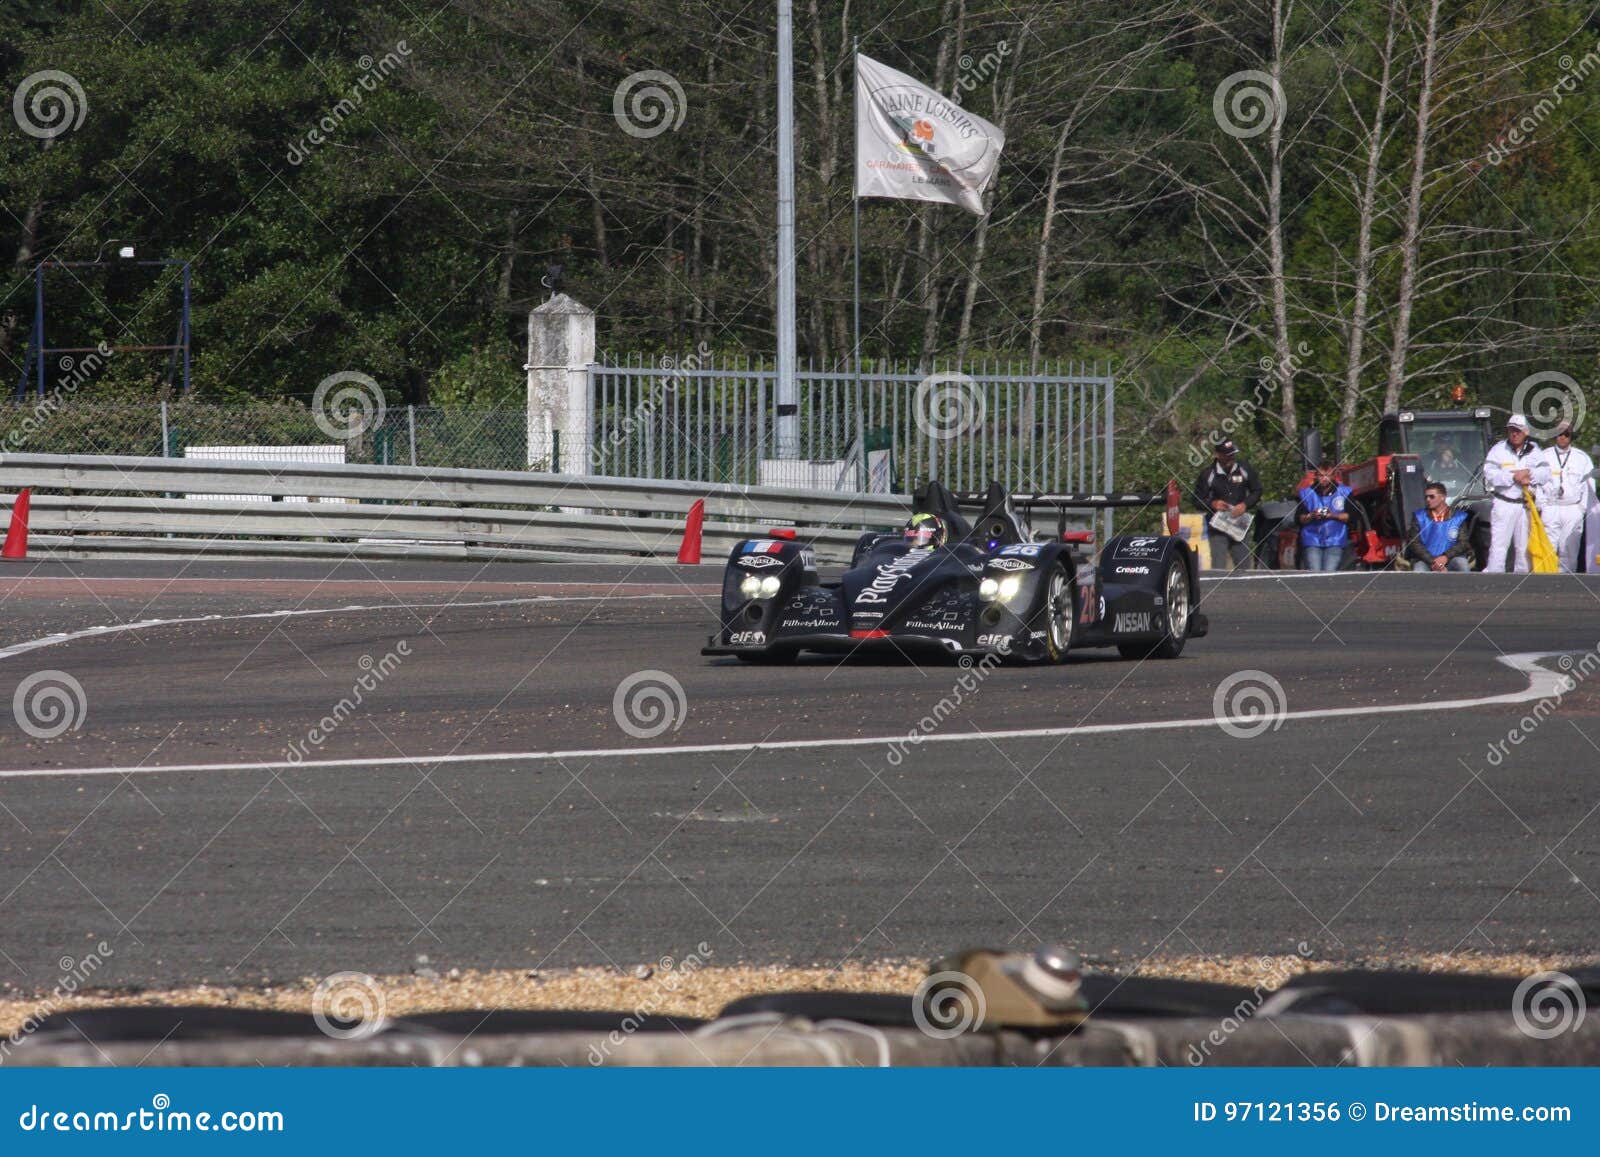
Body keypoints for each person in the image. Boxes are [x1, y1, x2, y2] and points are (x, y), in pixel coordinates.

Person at [1482, 413, 1550, 573]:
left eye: (1518, 430)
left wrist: (1529, 474)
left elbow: (1546, 473)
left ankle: (1522, 583)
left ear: (1526, 432)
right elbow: (1489, 474)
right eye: (1511, 430)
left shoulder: (1535, 450)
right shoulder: (1498, 450)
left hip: (1525, 505)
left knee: (1524, 548)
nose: (1514, 433)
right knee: (1499, 545)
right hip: (1504, 503)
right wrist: (1513, 477)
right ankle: (1494, 579)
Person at [1193, 438, 1262, 571]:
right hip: (1217, 527)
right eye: (1227, 454)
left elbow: (1257, 490)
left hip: (1240, 526)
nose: (1231, 457)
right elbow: (1196, 500)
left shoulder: (1244, 468)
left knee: (1244, 567)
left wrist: (1245, 504)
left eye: (1233, 453)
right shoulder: (1207, 474)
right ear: (1217, 455)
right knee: (1218, 568)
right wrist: (1212, 503)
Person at [1536, 420, 1594, 572]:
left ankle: (1567, 583)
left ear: (1571, 436)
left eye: (1566, 434)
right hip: (1551, 507)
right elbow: (1537, 482)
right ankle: (1546, 580)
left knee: (1569, 550)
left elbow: (1589, 485)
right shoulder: (1544, 456)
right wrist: (1542, 505)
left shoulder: (1582, 458)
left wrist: (1581, 509)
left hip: (1572, 508)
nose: (1562, 437)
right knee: (1548, 548)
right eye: (1559, 434)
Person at [1405, 482, 1477, 572]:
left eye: (1432, 497)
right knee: (1418, 570)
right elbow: (1414, 543)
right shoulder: (1419, 516)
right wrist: (1433, 562)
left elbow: (1463, 543)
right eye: (1426, 497)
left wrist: (1445, 557)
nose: (1428, 499)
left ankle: (1468, 586)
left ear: (1442, 497)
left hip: (1451, 558)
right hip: (1425, 560)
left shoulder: (1458, 517)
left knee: (1462, 564)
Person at [1295, 461, 1351, 571]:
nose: (1324, 478)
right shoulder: (1306, 493)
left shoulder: (1345, 492)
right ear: (1316, 476)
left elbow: (1350, 516)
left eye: (1327, 475)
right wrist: (1312, 515)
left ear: (1333, 476)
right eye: (1321, 475)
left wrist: (1332, 515)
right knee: (1314, 570)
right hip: (1312, 539)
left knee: (1329, 571)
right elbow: (1299, 518)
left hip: (1335, 539)